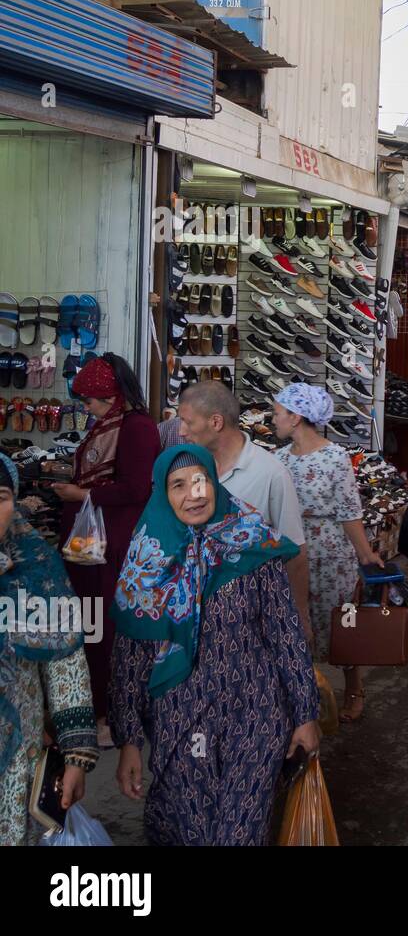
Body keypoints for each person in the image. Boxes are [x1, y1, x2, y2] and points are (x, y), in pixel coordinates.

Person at [111, 445, 320, 845]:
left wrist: (305, 713)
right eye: (179, 485)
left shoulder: (252, 543)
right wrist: (129, 741)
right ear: (162, 494)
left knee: (239, 835)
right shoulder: (146, 561)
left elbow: (285, 633)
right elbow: (130, 661)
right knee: (190, 832)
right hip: (180, 720)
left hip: (256, 715)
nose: (195, 493)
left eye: (202, 480)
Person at [50, 353, 160, 746]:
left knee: (105, 629)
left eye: (92, 401)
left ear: (112, 396)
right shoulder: (115, 426)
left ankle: (111, 716)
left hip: (109, 547)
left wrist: (82, 493)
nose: (87, 409)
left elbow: (136, 488)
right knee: (94, 626)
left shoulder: (137, 428)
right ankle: (101, 711)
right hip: (94, 546)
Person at [0, 454, 98, 846]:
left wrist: (75, 757)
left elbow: (66, 667)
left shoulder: (37, 570)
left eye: (2, 496)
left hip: (14, 761)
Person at [272, 384, 384, 723]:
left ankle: (354, 688)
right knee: (295, 626)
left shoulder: (335, 457)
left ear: (296, 417)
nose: (273, 419)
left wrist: (365, 555)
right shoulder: (277, 459)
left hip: (331, 555)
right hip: (292, 554)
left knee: (340, 627)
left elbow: (349, 511)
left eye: (278, 413)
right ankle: (303, 697)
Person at [178, 382, 310, 632]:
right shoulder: (191, 469)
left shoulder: (271, 474)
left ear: (215, 422)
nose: (182, 431)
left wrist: (299, 617)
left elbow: (296, 552)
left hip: (250, 618)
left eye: (188, 422)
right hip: (194, 614)